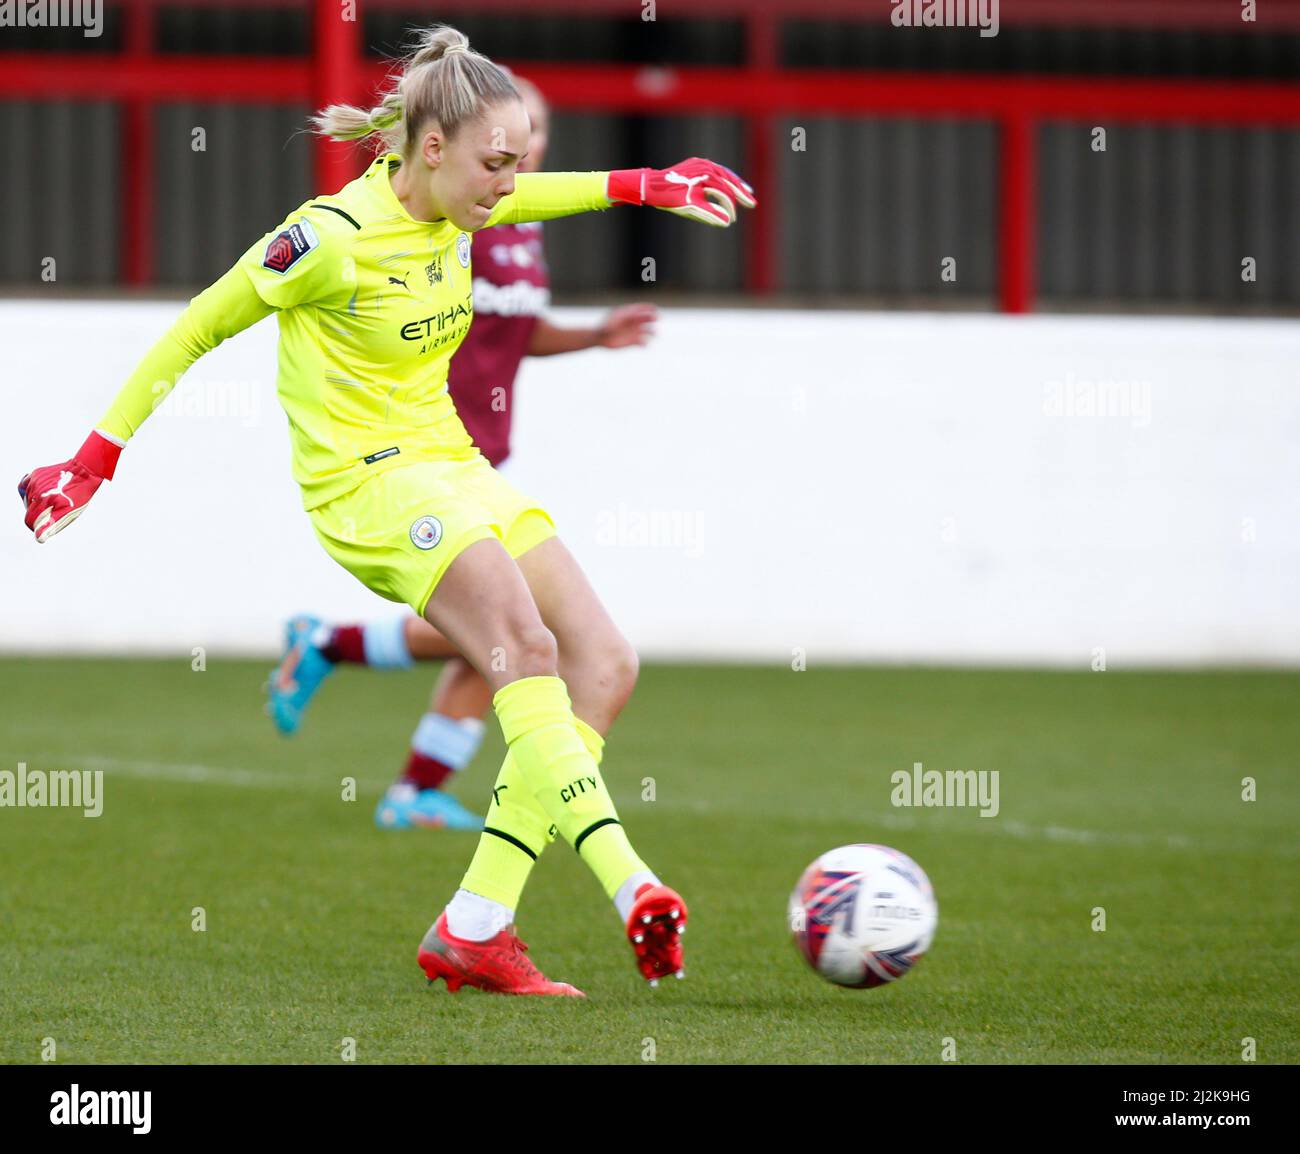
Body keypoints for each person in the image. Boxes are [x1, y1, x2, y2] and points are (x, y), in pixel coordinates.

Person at [18, 23, 755, 996]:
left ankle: (476, 924)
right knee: (525, 652)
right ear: (433, 146)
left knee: (604, 662)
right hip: (366, 487)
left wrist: (639, 182)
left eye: (518, 161)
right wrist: (93, 459)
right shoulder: (329, 239)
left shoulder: (461, 204)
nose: (509, 185)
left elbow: (530, 193)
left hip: (450, 464)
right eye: (496, 162)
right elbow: (201, 322)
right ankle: (633, 886)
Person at [268, 73, 658, 835]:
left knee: (509, 641)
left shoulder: (518, 220)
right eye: (521, 132)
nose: (531, 146)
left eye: (542, 132)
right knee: (516, 636)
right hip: (426, 453)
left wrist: (593, 335)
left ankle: (404, 772)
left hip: (482, 456)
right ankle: (340, 661)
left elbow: (519, 329)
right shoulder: (456, 213)